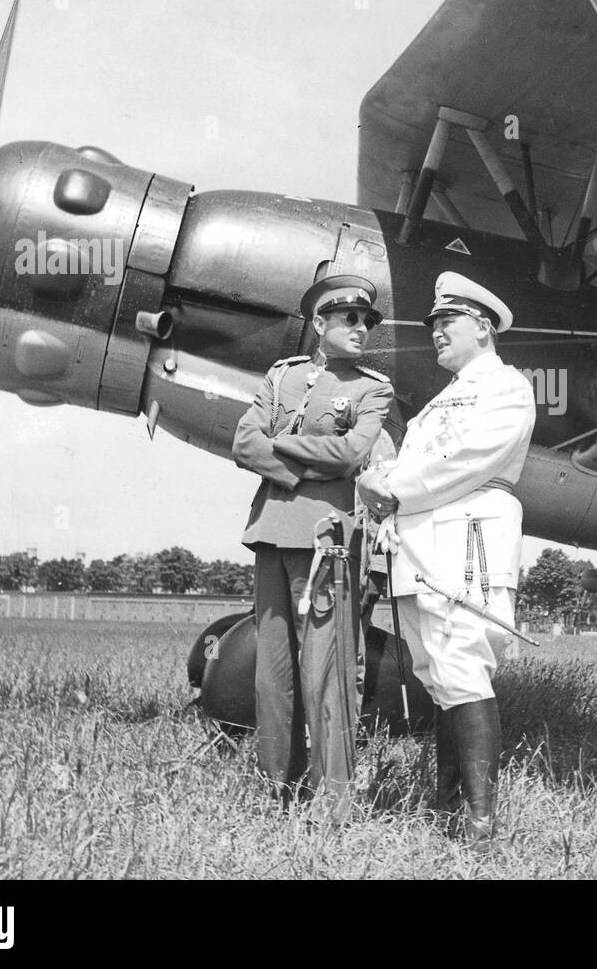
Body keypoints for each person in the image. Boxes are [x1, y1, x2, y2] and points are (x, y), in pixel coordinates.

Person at [356, 271, 535, 845]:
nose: (436, 331)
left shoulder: (505, 386)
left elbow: (470, 457)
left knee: (463, 665)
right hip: (420, 545)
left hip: (468, 543)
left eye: (447, 321)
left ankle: (480, 822)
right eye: (433, 322)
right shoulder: (441, 400)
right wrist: (385, 495)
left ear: (483, 328)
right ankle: (447, 804)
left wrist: (393, 488)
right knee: (436, 673)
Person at [231, 274, 394, 813]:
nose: (361, 329)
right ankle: (279, 788)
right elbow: (243, 442)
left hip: (327, 540)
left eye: (367, 321)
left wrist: (281, 448)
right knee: (272, 671)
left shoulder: (372, 388)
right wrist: (304, 470)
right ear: (319, 325)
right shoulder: (281, 377)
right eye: (349, 319)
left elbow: (352, 455)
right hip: (271, 533)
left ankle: (335, 801)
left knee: (327, 671)